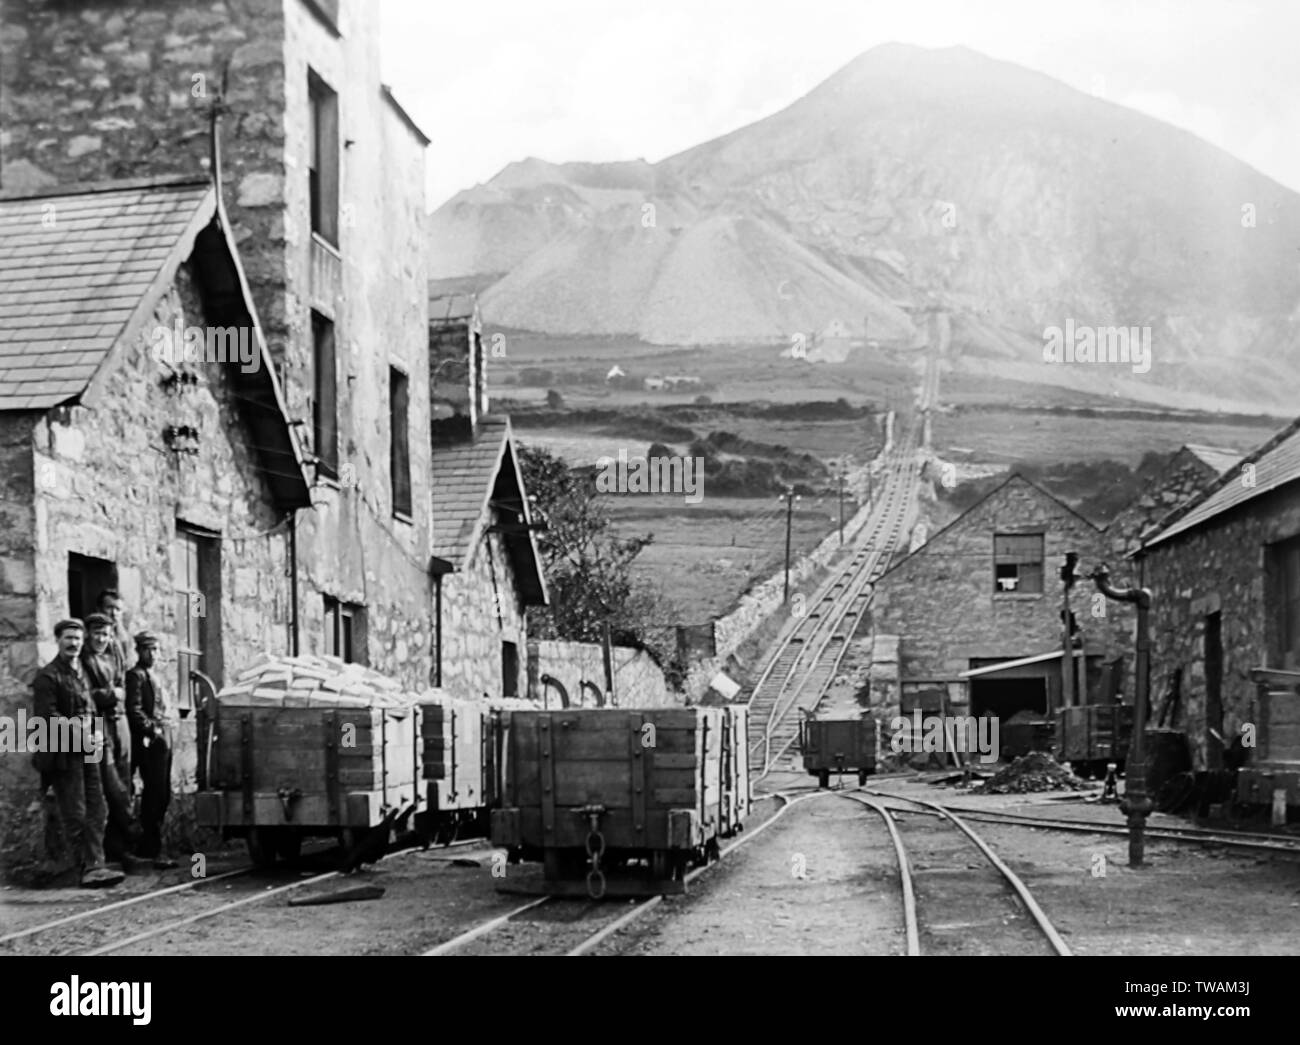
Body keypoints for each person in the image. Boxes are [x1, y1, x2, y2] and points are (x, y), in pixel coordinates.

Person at [31, 619, 123, 888]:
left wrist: (96, 736)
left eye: (77, 639)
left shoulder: (81, 672)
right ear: (58, 641)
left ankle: (97, 864)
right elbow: (48, 716)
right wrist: (80, 734)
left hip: (90, 748)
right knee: (76, 811)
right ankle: (84, 866)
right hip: (64, 752)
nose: (74, 643)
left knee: (99, 807)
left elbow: (91, 709)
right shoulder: (47, 677)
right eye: (68, 638)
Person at [82, 612, 140, 870]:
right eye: (97, 634)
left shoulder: (114, 652)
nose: (101, 639)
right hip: (96, 726)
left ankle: (121, 850)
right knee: (109, 786)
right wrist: (110, 694)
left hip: (120, 722)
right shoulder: (82, 659)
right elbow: (84, 695)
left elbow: (122, 684)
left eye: (105, 634)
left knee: (125, 782)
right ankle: (107, 848)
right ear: (88, 634)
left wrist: (116, 694)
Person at [125, 632, 179, 869]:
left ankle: (155, 846)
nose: (152, 655)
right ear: (139, 651)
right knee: (154, 792)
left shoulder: (154, 676)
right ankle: (151, 848)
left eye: (156, 650)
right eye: (147, 650)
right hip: (149, 740)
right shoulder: (135, 676)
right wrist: (151, 731)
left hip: (163, 736)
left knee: (163, 792)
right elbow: (134, 709)